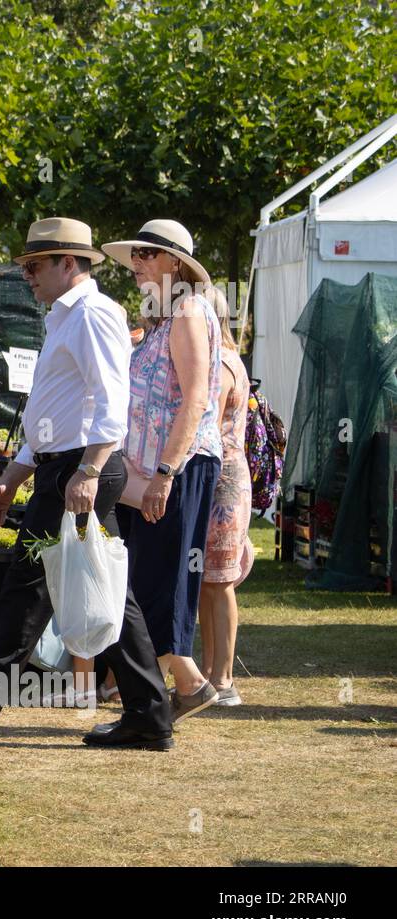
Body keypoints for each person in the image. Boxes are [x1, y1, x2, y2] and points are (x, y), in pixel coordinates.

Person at [0, 219, 173, 750]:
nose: (26, 275)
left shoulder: (92, 315)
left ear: (68, 264)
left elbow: (111, 401)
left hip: (79, 468)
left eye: (35, 265)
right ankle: (150, 714)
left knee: (25, 596)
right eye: (26, 265)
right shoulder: (64, 316)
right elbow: (50, 414)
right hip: (65, 466)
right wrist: (10, 480)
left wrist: (90, 470)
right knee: (108, 594)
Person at [101, 219, 224, 723]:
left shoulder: (189, 313)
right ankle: (186, 686)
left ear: (175, 262)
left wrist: (166, 471)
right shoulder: (165, 317)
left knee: (159, 580)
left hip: (176, 466)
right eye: (134, 254)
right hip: (150, 470)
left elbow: (194, 400)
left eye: (147, 254)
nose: (136, 264)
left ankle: (158, 700)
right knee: (143, 578)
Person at [198, 290, 252, 706]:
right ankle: (211, 672)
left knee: (220, 580)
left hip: (223, 480)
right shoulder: (229, 360)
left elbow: (209, 426)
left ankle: (224, 677)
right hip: (224, 475)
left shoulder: (222, 366)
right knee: (207, 582)